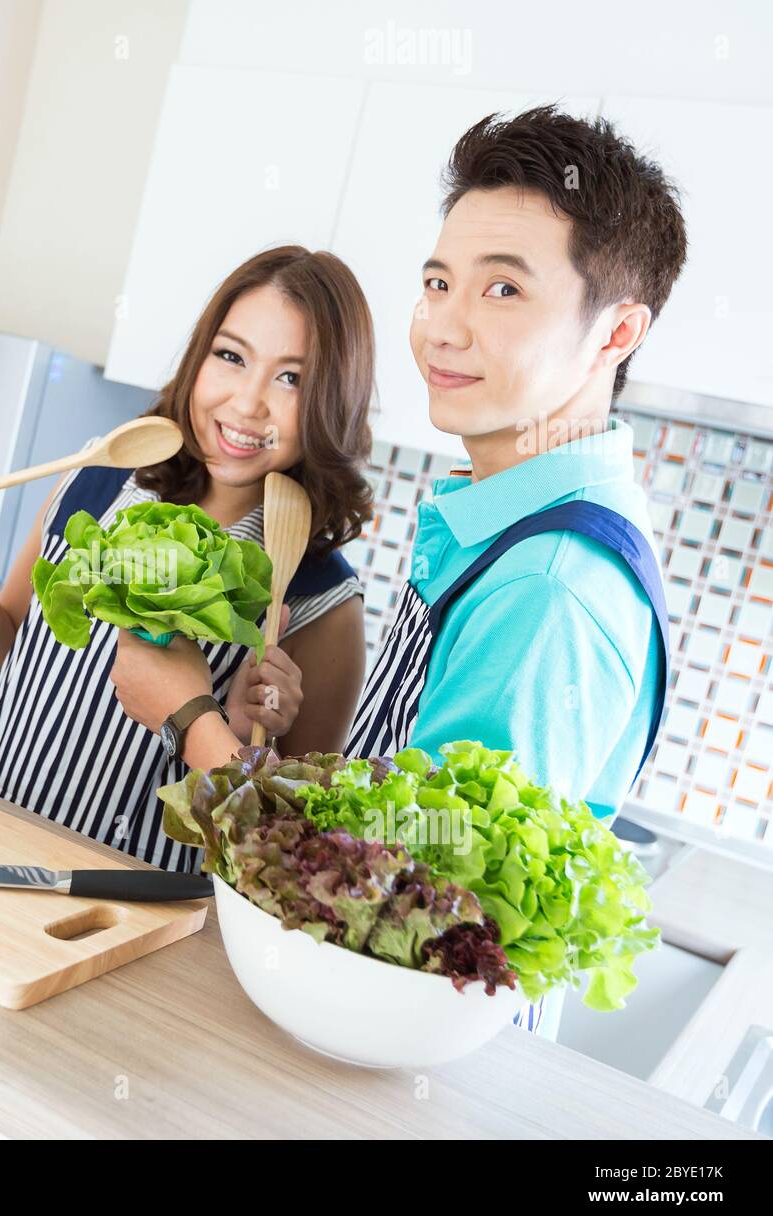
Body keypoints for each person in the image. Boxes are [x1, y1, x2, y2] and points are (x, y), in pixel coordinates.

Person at [113, 107, 683, 1038]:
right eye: (438, 281)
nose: (443, 330)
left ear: (615, 333)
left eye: (503, 292)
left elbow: (413, 920)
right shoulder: (505, 533)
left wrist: (190, 718)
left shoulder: (548, 588)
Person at [0, 246, 376, 871]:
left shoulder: (321, 601)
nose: (246, 403)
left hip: (132, 914)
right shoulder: (98, 479)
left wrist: (246, 733)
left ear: (331, 400)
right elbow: (2, 674)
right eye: (231, 357)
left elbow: (286, 848)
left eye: (291, 378)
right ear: (199, 357)